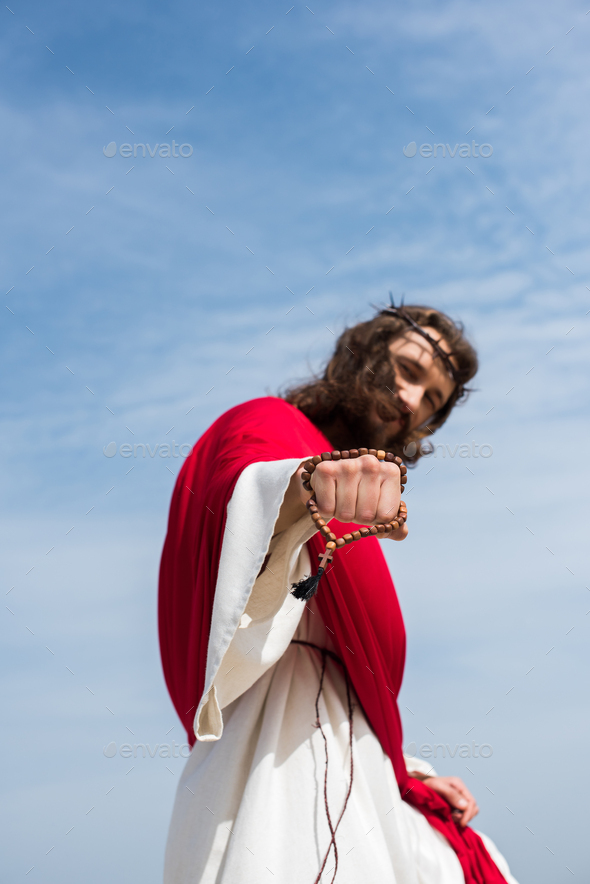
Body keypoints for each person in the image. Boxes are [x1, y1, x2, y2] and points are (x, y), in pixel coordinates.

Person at [158, 303, 519, 884]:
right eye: (408, 370)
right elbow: (236, 494)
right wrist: (307, 485)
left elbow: (353, 686)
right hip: (283, 756)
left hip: (350, 760)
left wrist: (406, 773)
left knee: (466, 860)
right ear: (361, 354)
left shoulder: (357, 491)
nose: (410, 401)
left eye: (430, 400)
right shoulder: (271, 425)